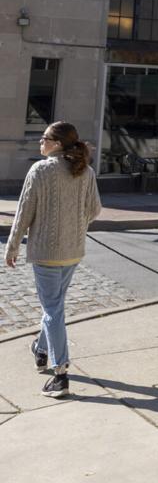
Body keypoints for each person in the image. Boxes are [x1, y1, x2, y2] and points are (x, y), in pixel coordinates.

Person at [4, 121, 101, 398]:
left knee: (52, 310)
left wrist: (12, 247)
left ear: (57, 143)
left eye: (44, 138)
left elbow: (24, 213)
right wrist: (76, 226)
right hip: (73, 251)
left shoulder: (40, 170)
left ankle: (60, 374)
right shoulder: (86, 171)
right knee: (55, 306)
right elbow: (95, 209)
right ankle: (41, 349)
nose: (40, 143)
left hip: (47, 252)